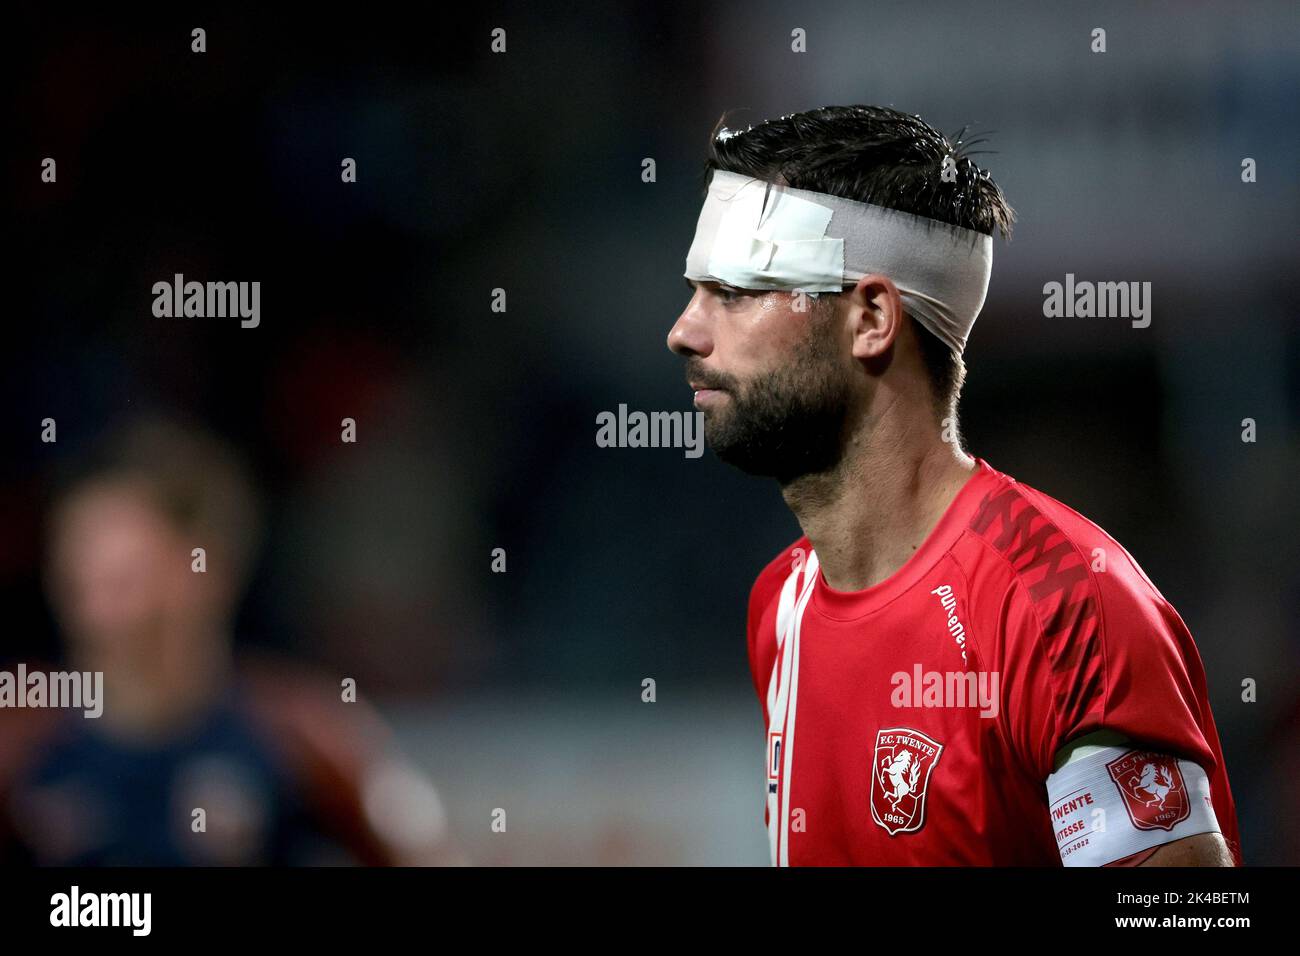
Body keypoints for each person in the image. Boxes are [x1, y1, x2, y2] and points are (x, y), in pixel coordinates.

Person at [667, 105, 1240, 866]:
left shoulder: (1063, 609)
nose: (685, 330)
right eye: (694, 291)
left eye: (733, 292)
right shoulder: (782, 606)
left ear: (870, 318)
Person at [0, 414, 460, 865]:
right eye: (80, 569)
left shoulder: (302, 736)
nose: (98, 601)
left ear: (203, 569)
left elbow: (423, 853)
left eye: (125, 574)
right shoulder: (20, 736)